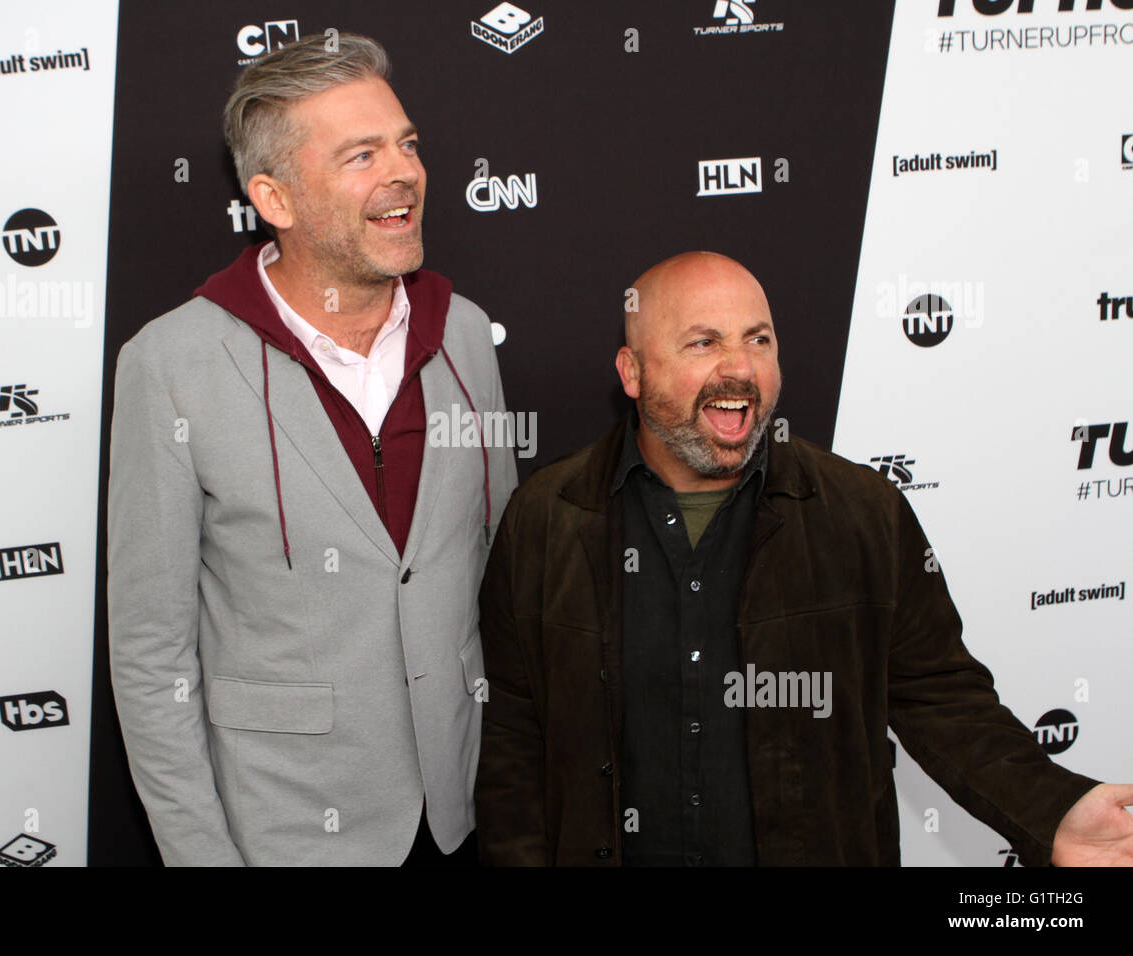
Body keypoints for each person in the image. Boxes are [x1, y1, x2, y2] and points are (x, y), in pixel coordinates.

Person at [474, 251, 1133, 866]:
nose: (739, 368)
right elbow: (514, 745)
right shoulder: (548, 520)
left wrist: (1053, 812)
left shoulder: (859, 512)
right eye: (703, 343)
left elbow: (942, 698)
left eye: (757, 340)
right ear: (632, 371)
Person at [108, 34, 516, 866]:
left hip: (462, 817)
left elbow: (497, 572)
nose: (403, 172)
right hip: (289, 833)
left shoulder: (466, 333)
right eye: (361, 155)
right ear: (275, 198)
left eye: (407, 145)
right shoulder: (171, 364)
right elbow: (151, 655)